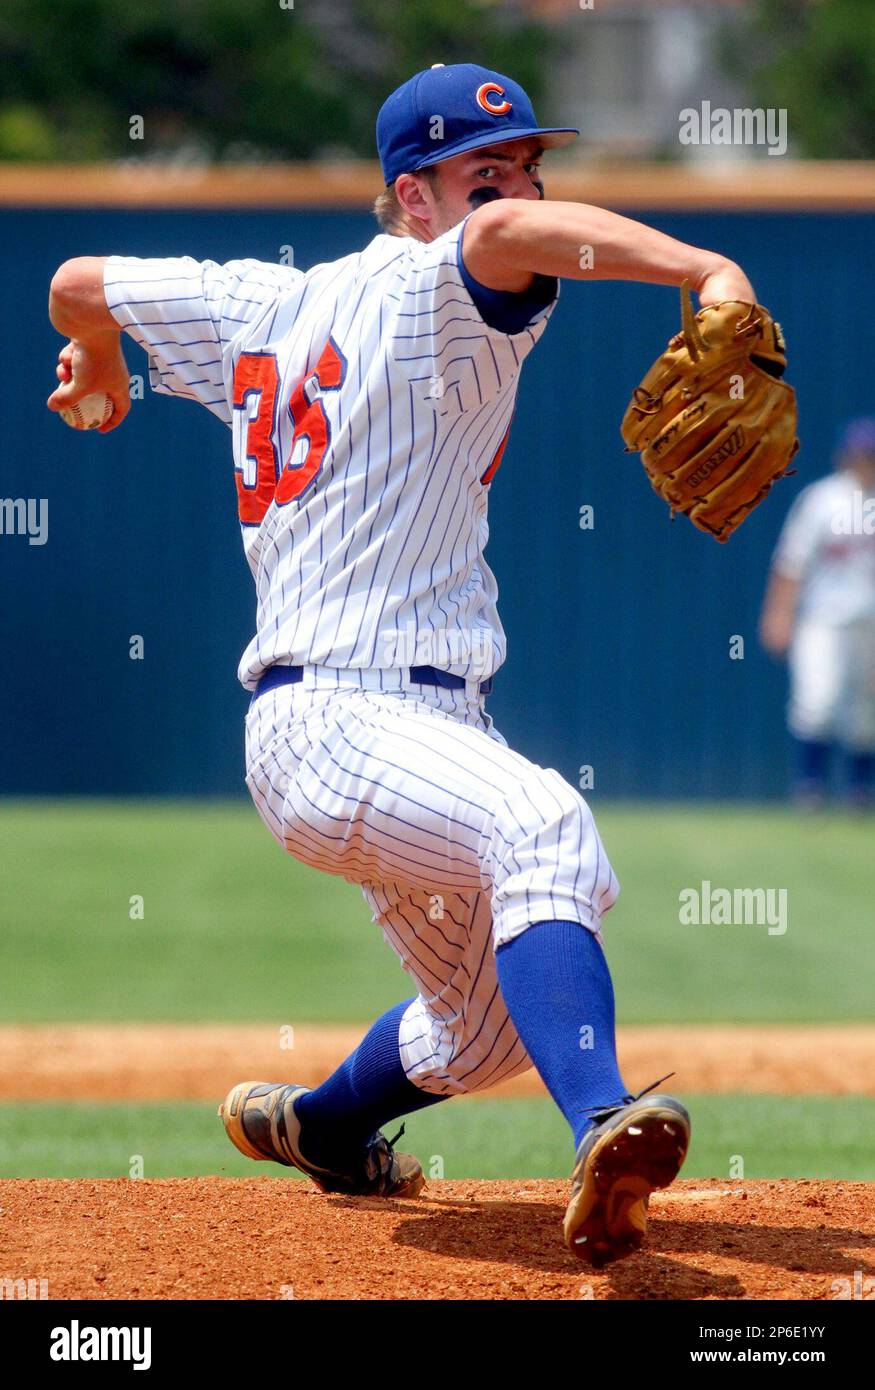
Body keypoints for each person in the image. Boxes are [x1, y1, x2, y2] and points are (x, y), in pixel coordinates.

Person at [47, 63, 758, 1265]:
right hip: (337, 709)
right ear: (409, 196)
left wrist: (103, 359)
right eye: (482, 173)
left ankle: (323, 1123)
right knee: (541, 824)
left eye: (529, 163)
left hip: (391, 738)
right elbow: (517, 234)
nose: (513, 193)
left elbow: (74, 282)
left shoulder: (251, 301)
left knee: (477, 1035)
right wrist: (705, 271)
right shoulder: (449, 285)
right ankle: (604, 1123)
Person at [760, 417, 875, 811]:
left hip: (871, 622)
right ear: (846, 456)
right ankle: (810, 789)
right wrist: (778, 616)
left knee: (866, 710)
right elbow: (791, 563)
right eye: (862, 454)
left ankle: (860, 793)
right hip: (823, 619)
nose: (867, 462)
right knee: (817, 700)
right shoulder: (823, 499)